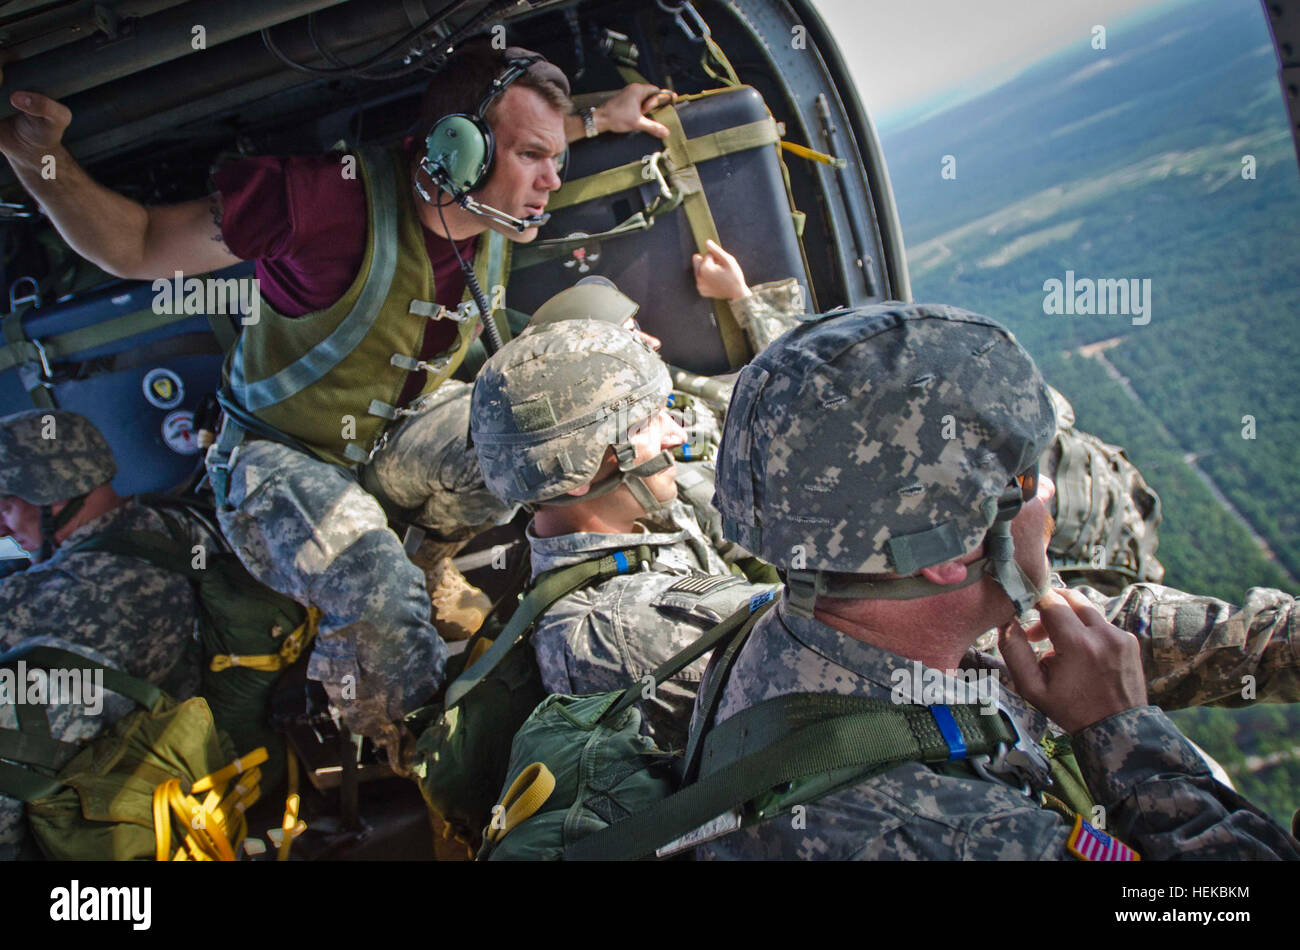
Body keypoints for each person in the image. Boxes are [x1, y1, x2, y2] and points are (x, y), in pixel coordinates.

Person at [0, 39, 676, 755]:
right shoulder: (328, 200)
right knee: (383, 597)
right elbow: (135, 244)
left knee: (526, 438)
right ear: (458, 152)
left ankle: (431, 562)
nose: (551, 180)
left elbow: (531, 142)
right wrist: (36, 159)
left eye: (555, 159)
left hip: (389, 439)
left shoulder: (489, 206)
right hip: (273, 456)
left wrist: (602, 118)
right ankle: (404, 749)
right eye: (533, 158)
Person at [693, 302, 1300, 860]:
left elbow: (1092, 629)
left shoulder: (833, 613)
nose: (1053, 491)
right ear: (948, 549)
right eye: (1028, 479)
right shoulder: (939, 831)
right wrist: (1123, 733)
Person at [470, 290, 776, 752]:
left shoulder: (635, 508)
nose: (676, 432)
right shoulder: (620, 629)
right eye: (650, 421)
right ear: (580, 472)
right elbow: (839, 657)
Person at [0, 409, 201, 859]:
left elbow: (34, 600)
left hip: (90, 788)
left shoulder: (66, 596)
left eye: (7, 506)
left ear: (53, 496)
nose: (1, 527)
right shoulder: (155, 525)